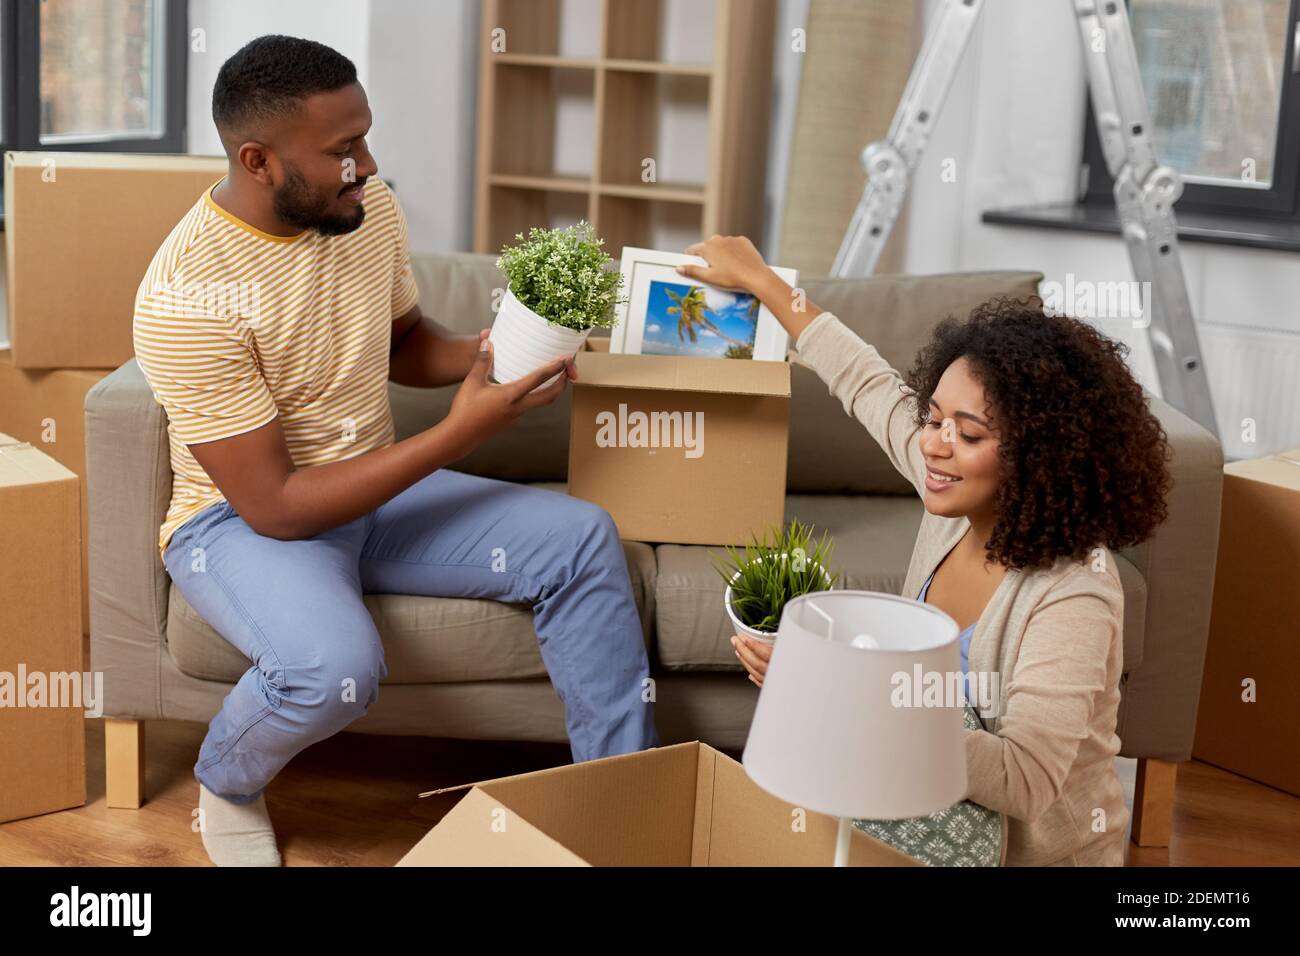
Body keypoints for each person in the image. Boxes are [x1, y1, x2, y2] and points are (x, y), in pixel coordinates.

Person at [132, 35, 658, 867]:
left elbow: (402, 342)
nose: (368, 165)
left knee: (583, 538)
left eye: (365, 137)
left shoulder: (361, 211)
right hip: (239, 523)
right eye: (343, 150)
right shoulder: (185, 297)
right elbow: (275, 505)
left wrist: (499, 356)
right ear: (259, 160)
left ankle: (623, 810)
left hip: (370, 495)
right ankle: (226, 781)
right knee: (333, 665)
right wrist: (460, 431)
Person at [685, 235, 1172, 867]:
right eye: (934, 418)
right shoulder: (952, 498)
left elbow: (1026, 776)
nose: (935, 444)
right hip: (920, 820)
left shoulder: (1074, 593)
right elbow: (862, 379)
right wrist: (763, 282)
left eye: (967, 433)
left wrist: (845, 699)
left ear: (1041, 457)